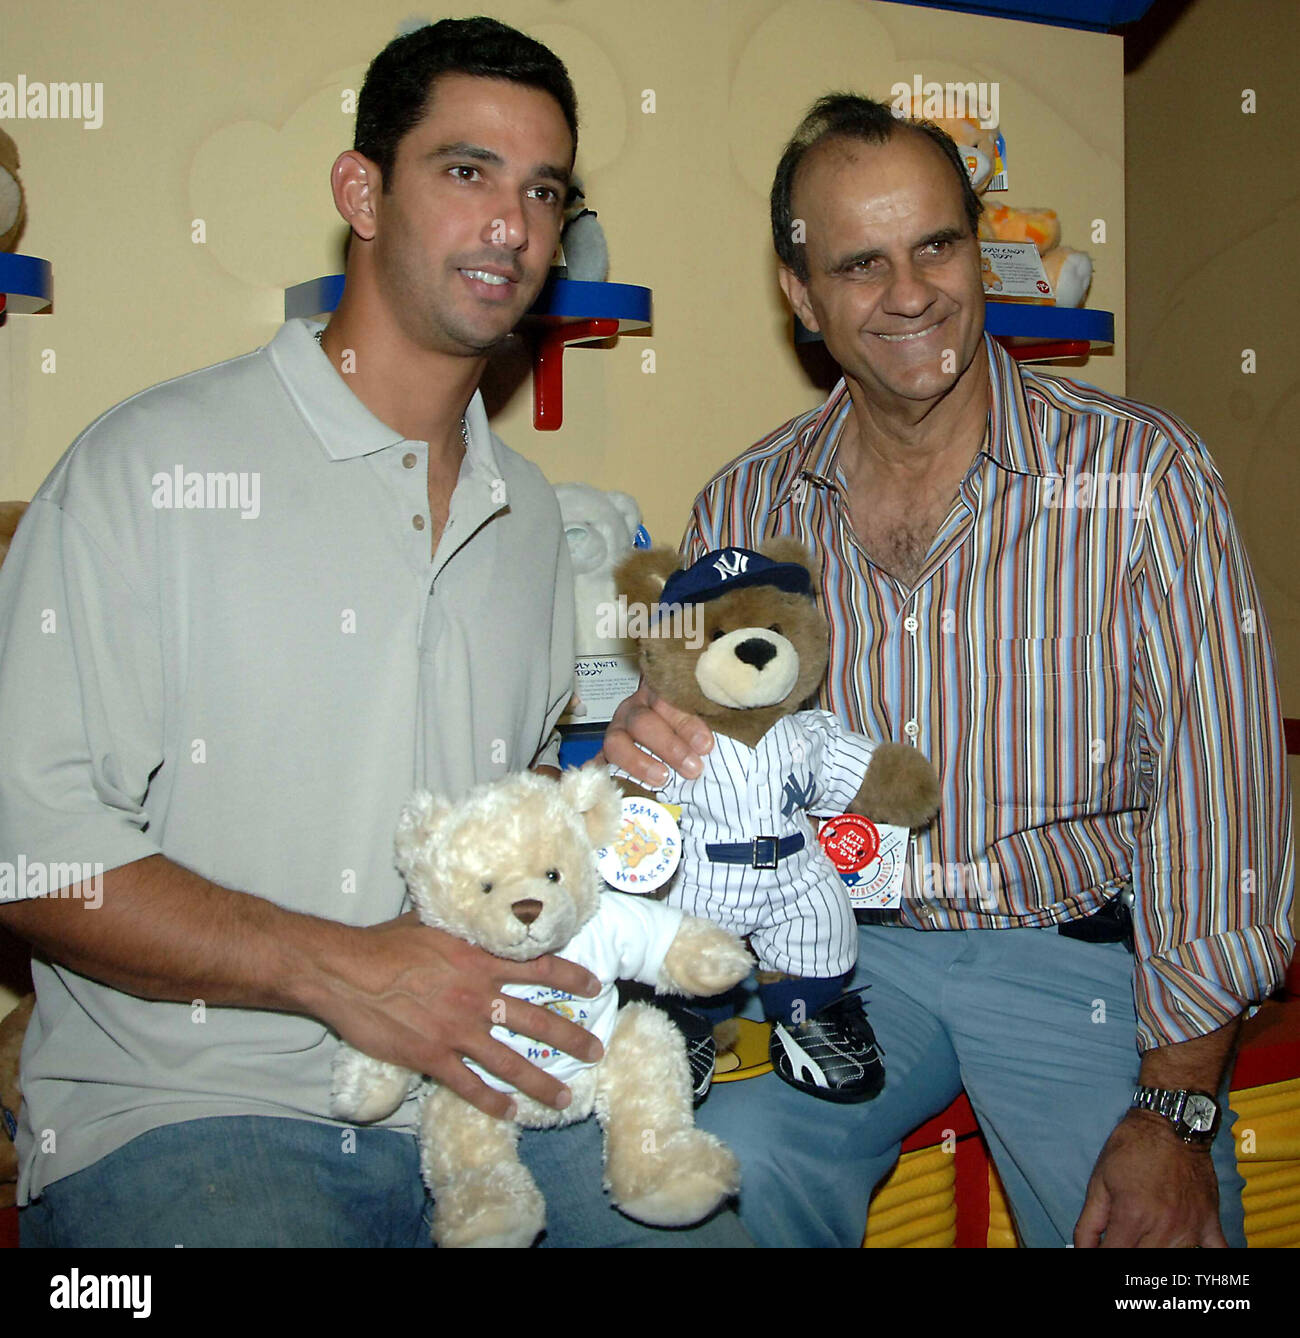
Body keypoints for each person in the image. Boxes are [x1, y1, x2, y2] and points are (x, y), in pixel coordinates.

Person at [0, 18, 747, 1248]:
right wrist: (347, 969)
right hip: (196, 1112)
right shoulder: (149, 469)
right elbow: (32, 853)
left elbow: (484, 830)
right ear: (361, 190)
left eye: (542, 190)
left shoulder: (530, 525)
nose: (509, 223)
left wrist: (618, 771)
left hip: (490, 1105)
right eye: (466, 172)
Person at [604, 94, 1296, 1248]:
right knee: (717, 1172)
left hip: (1087, 968)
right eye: (860, 262)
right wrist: (650, 750)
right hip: (845, 954)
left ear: (979, 252)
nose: (911, 292)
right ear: (801, 293)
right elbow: (716, 766)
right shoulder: (746, 506)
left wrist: (1174, 1101)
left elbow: (1219, 801)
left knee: (1155, 1248)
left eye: (937, 244)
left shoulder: (1140, 477)